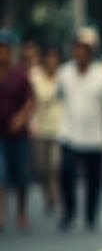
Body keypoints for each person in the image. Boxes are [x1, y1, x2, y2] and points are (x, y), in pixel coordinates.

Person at [56, 27, 102, 231]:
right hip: (69, 133)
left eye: (85, 49)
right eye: (78, 48)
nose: (81, 52)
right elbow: (57, 98)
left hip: (94, 136)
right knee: (66, 173)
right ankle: (69, 211)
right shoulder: (64, 73)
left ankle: (90, 214)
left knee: (94, 180)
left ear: (91, 52)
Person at [0, 31, 35, 232]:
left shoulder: (19, 74)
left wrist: (21, 118)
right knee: (0, 173)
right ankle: (1, 212)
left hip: (18, 134)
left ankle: (22, 210)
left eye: (5, 49)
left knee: (21, 176)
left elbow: (31, 101)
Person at [26, 43, 61, 217]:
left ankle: (54, 194)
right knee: (41, 168)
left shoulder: (63, 77)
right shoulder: (35, 77)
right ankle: (47, 193)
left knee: (55, 165)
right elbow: (30, 101)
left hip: (59, 128)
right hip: (39, 127)